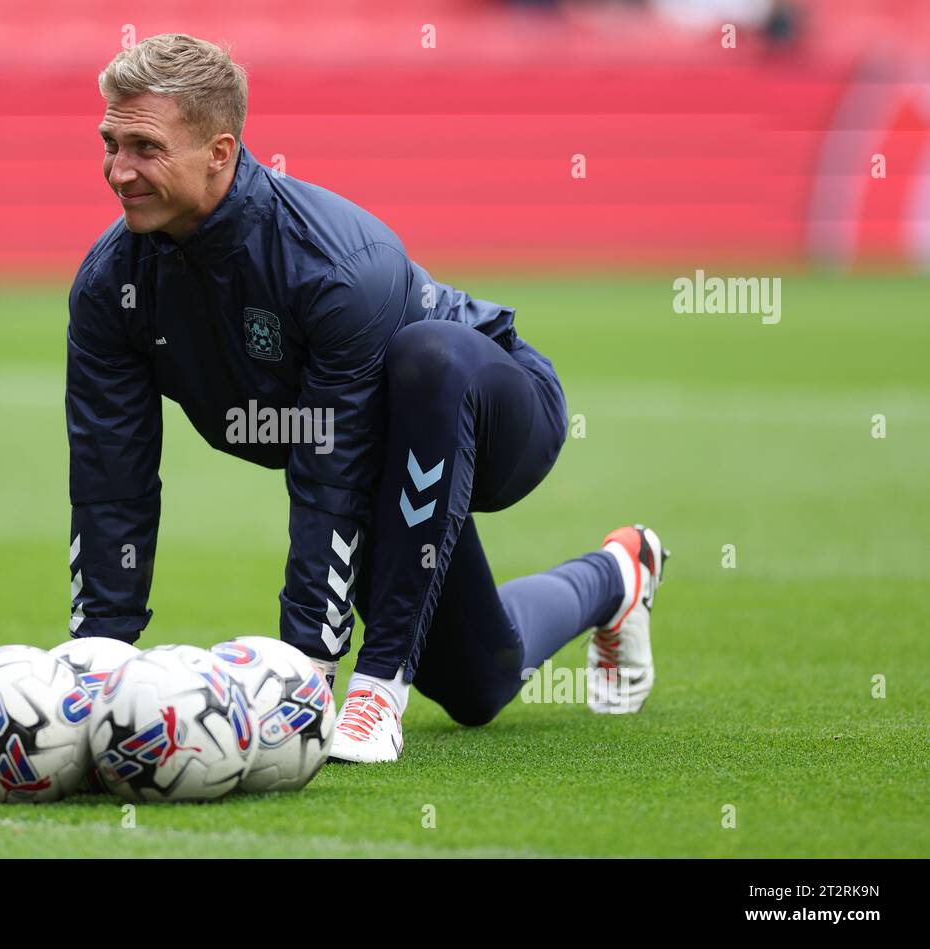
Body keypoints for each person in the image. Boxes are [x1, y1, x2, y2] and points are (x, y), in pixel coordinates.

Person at [67, 33, 669, 763]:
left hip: (497, 415)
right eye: (110, 142)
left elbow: (330, 471)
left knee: (426, 354)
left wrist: (307, 674)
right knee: (480, 682)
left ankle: (380, 691)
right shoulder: (110, 287)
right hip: (386, 456)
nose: (117, 170)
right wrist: (95, 664)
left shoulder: (334, 266)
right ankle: (621, 573)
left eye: (143, 147)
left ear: (219, 152)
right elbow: (110, 478)